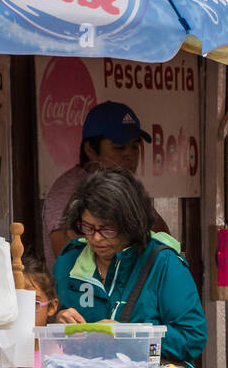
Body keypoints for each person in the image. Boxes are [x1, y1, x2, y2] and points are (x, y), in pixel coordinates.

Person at [52, 168, 213, 368]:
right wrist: (58, 319)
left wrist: (130, 336)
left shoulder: (163, 264)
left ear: (130, 224)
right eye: (88, 227)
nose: (96, 238)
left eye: (107, 229)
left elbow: (193, 337)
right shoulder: (69, 262)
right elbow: (48, 321)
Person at [42, 101, 168, 268]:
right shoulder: (67, 192)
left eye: (135, 147)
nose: (129, 155)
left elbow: (164, 244)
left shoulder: (128, 189)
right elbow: (70, 258)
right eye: (119, 147)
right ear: (91, 149)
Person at [0, 251, 59, 368]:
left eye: (34, 303)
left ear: (51, 307)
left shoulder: (61, 360)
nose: (22, 313)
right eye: (14, 303)